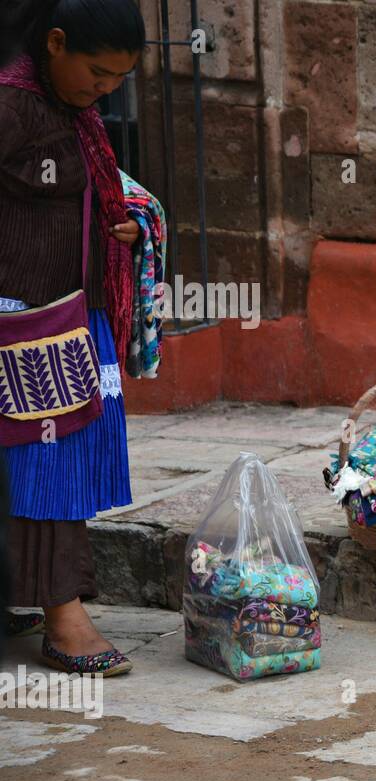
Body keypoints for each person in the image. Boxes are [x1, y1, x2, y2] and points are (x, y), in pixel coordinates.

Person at [0, 0, 146, 676]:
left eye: (120, 78)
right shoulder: (12, 107)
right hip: (25, 323)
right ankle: (61, 616)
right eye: (97, 72)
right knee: (45, 467)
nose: (107, 90)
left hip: (67, 317)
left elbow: (90, 195)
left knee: (59, 463)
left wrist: (123, 228)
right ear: (54, 44)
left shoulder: (77, 115)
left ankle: (32, 600)